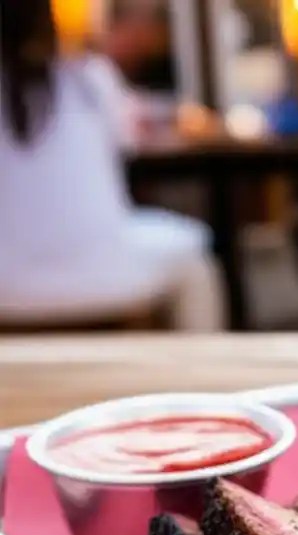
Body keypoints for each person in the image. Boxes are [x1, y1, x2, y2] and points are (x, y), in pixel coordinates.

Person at [0, 1, 222, 330]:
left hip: (7, 286)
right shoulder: (86, 77)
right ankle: (205, 372)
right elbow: (130, 138)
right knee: (197, 264)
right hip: (104, 272)